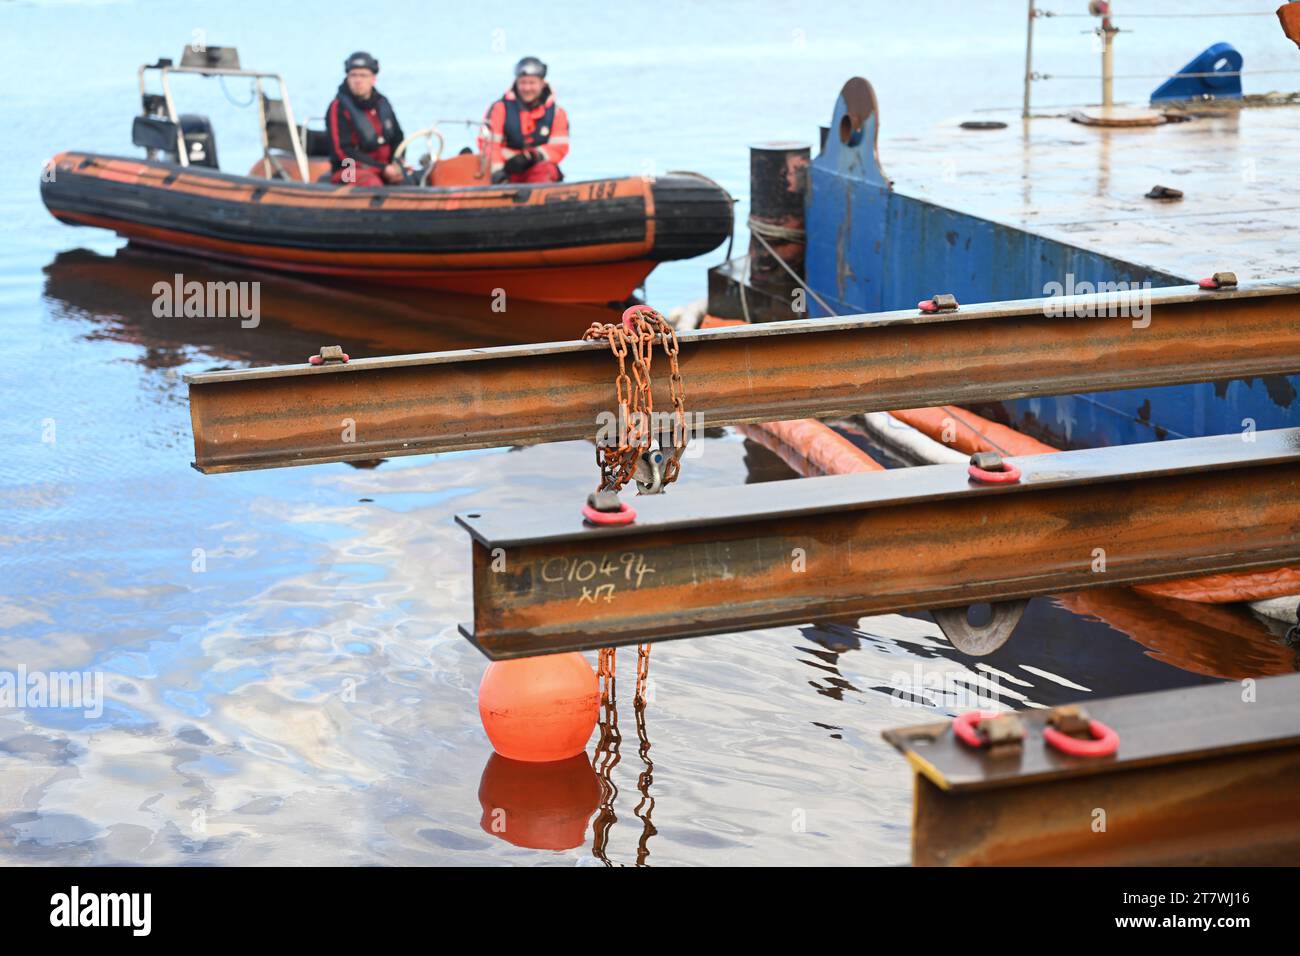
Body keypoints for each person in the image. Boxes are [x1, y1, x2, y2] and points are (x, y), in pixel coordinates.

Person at [480, 56, 569, 184]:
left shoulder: (557, 113)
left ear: (542, 83)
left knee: (547, 170)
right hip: (505, 172)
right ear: (516, 82)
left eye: (532, 83)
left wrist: (532, 157)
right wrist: (498, 172)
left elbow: (559, 147)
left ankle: (539, 200)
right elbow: (488, 145)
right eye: (523, 82)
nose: (527, 88)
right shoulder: (499, 109)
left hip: (537, 170)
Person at [326, 52, 406, 187]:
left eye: (363, 75)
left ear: (373, 79)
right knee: (372, 183)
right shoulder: (337, 107)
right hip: (348, 169)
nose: (358, 80)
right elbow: (342, 151)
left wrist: (397, 165)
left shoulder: (382, 102)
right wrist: (381, 168)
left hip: (384, 167)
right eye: (353, 75)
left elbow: (398, 138)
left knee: (411, 179)